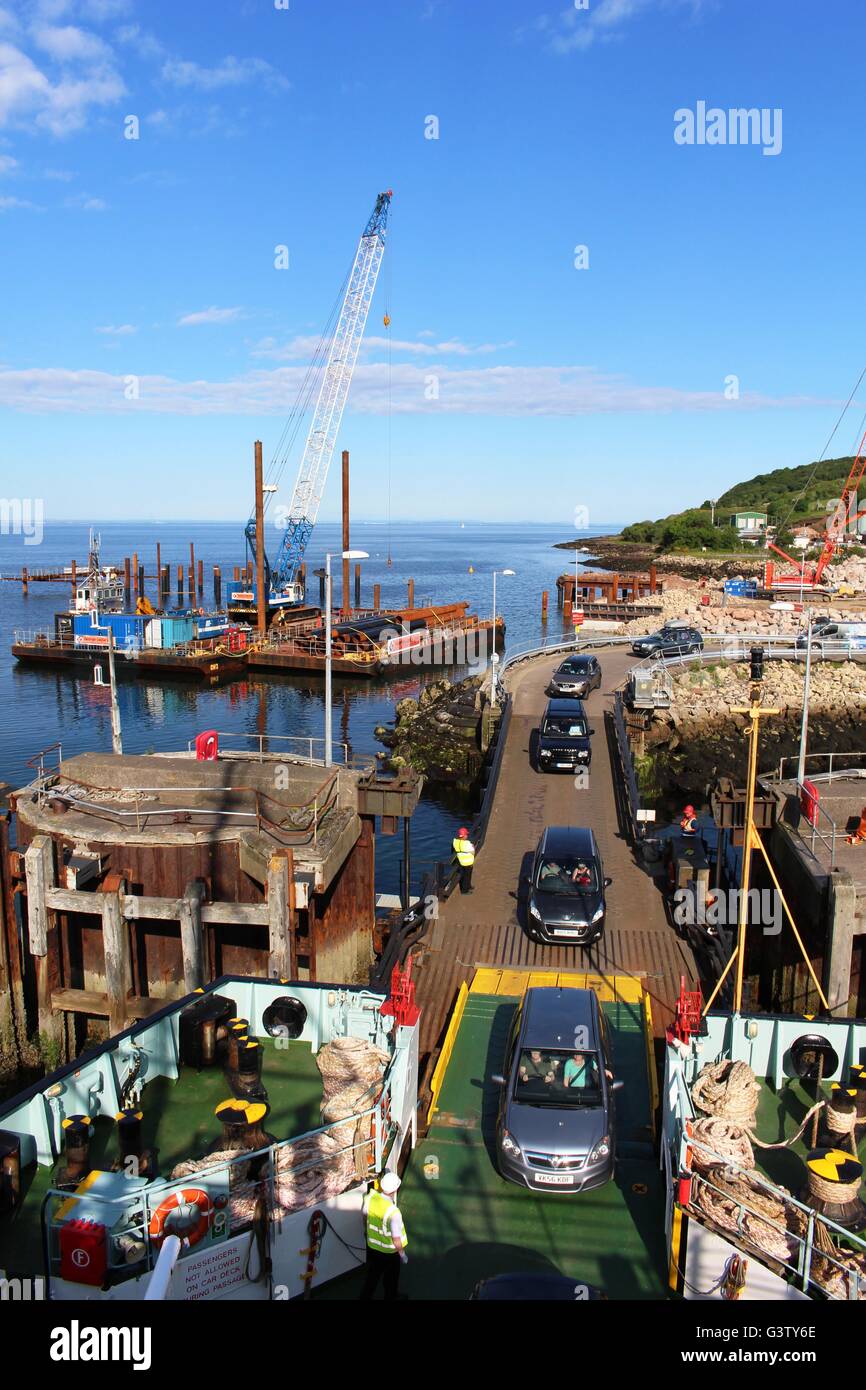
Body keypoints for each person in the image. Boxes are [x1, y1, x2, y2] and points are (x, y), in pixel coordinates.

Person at [360, 1171, 408, 1300]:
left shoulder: (370, 1198)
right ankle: (391, 1297)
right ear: (395, 1189)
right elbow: (396, 1238)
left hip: (373, 1247)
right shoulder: (394, 1212)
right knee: (391, 1279)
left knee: (373, 1276)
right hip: (389, 1252)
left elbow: (365, 1217)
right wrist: (402, 1255)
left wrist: (366, 1232)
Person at [453, 826, 476, 893]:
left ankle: (468, 886)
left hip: (461, 861)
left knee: (464, 875)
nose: (467, 836)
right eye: (466, 834)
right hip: (468, 862)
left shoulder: (455, 842)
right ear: (464, 836)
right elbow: (473, 852)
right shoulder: (467, 843)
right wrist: (473, 846)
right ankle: (465, 891)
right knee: (467, 876)